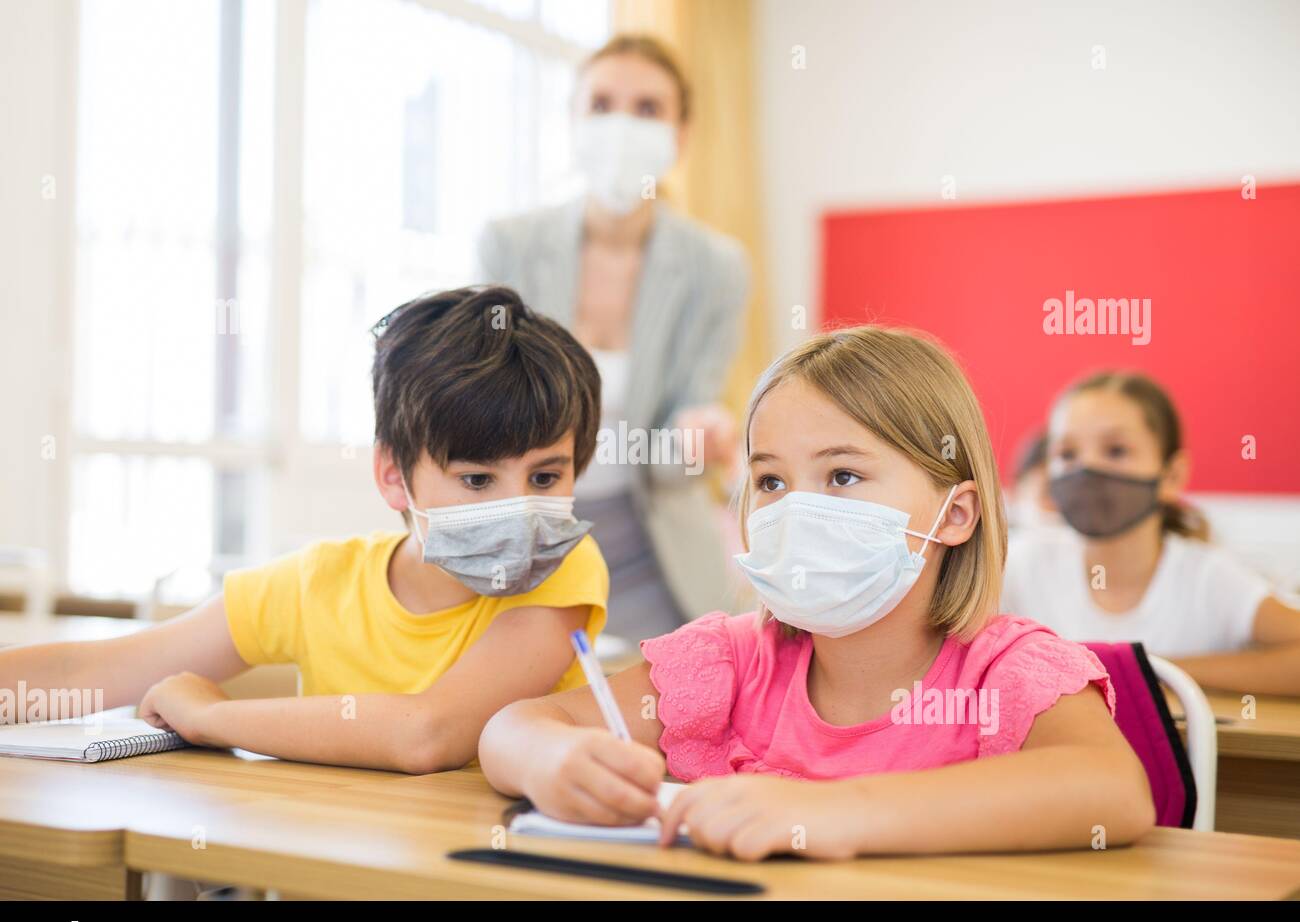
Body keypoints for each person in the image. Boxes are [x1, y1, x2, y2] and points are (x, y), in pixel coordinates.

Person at [479, 327, 1154, 860]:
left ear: (955, 514)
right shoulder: (728, 662)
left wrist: (836, 812)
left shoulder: (1001, 673)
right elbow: (513, 728)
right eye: (771, 481)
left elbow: (1114, 791)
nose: (795, 509)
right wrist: (556, 760)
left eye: (842, 475)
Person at [0, 287, 611, 770]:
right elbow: (91, 673)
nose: (520, 510)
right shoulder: (323, 581)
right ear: (393, 475)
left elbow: (429, 734)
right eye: (478, 480)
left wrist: (215, 719)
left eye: (545, 478)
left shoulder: (567, 574)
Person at [476, 34, 750, 642]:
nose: (621, 124)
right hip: (526, 536)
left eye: (648, 108)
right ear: (573, 122)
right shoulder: (509, 244)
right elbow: (479, 405)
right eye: (601, 103)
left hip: (652, 551)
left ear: (680, 137)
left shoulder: (717, 268)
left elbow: (687, 424)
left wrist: (698, 435)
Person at [1002, 371, 1300, 697]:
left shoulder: (1205, 578)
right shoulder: (1020, 566)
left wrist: (1150, 670)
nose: (1086, 469)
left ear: (1171, 476)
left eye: (1116, 451)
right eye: (1067, 454)